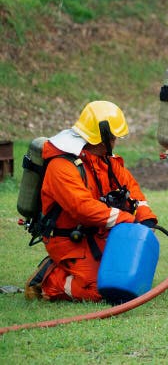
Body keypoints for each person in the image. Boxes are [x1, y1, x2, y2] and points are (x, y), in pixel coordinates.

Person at [25, 101, 158, 301]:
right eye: (114, 136)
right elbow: (83, 208)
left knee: (123, 277)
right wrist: (128, 220)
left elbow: (130, 188)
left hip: (97, 233)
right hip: (68, 239)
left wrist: (145, 217)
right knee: (99, 290)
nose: (115, 141)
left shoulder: (105, 160)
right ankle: (48, 278)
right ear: (104, 137)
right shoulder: (61, 166)